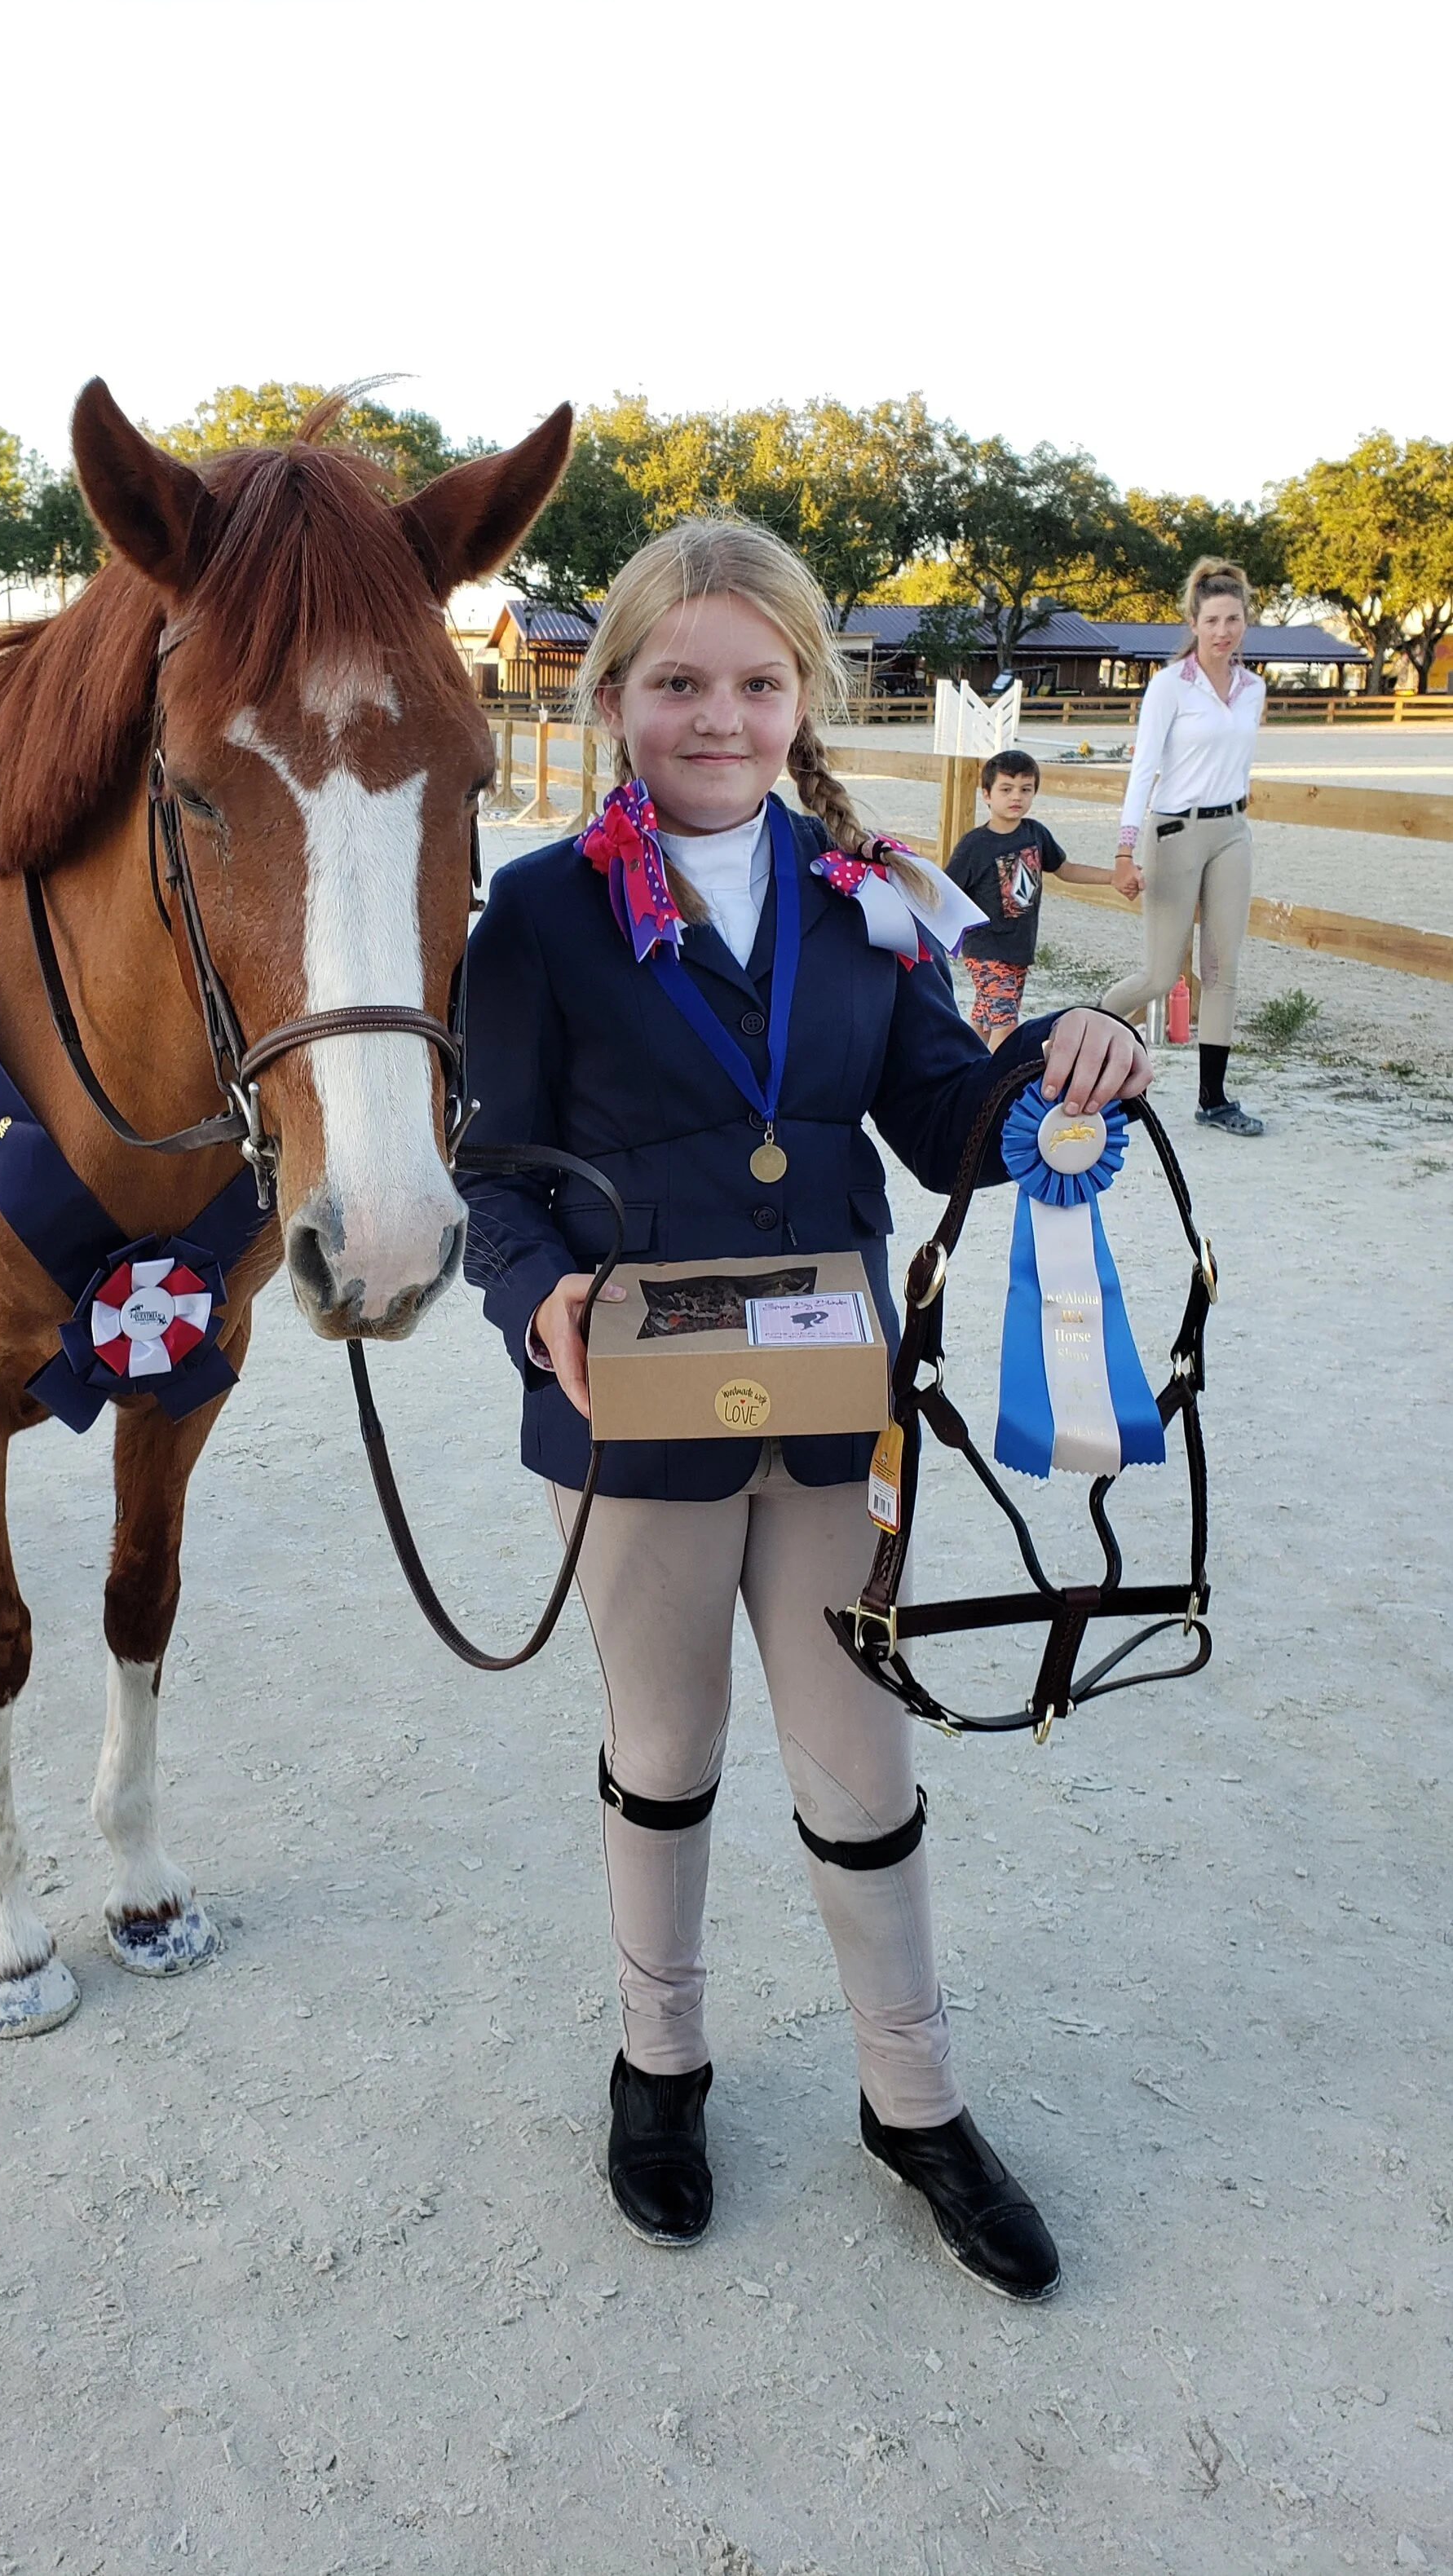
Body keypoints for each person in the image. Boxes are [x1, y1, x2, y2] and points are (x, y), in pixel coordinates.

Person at [458, 518, 1150, 2300]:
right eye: (677, 681)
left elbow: (940, 1118)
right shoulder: (533, 912)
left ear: (803, 699)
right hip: (632, 1404)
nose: (717, 716)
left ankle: (910, 2099)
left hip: (835, 1400)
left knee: (862, 1761)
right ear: (612, 695)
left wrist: (1053, 1069)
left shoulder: (872, 894)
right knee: (665, 1753)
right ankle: (658, 2061)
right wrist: (531, 1285)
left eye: (755, 683)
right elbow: (492, 1167)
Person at [1102, 559, 1266, 1134]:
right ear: (1194, 622)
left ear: (1246, 621)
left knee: (1223, 970)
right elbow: (1144, 768)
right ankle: (1086, 1036)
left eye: (1234, 619)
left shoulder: (1254, 689)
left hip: (1232, 833)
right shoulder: (1170, 685)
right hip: (1174, 832)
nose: (1224, 630)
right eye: (1213, 619)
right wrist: (1125, 851)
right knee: (1159, 971)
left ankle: (1214, 1098)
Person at [946, 748, 1120, 1050]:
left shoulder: (1036, 834)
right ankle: (995, 1090)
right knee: (1006, 1026)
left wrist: (1112, 877)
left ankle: (961, 1074)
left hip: (1019, 948)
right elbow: (947, 891)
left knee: (986, 1020)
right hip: (986, 949)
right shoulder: (975, 845)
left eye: (1025, 789)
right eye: (1006, 789)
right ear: (986, 794)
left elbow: (1065, 869)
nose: (1017, 797)